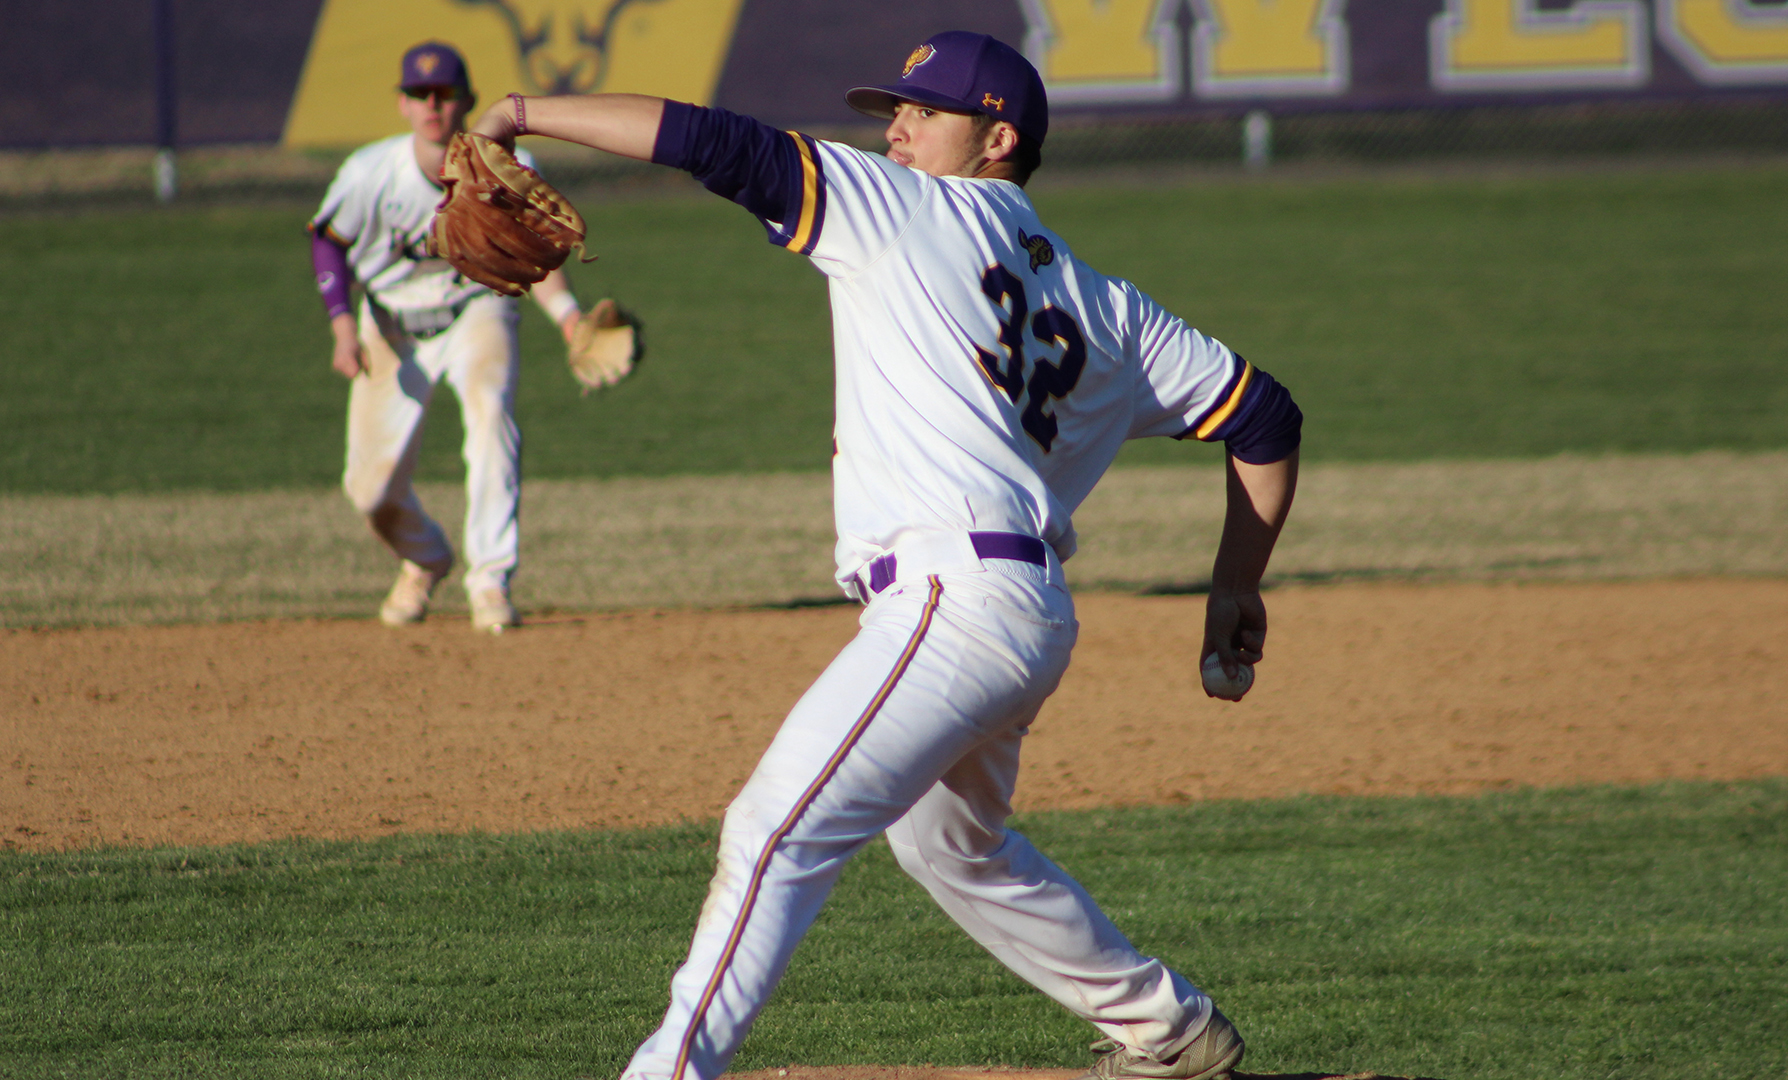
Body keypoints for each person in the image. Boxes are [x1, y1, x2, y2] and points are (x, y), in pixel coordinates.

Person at [470, 30, 1302, 1080]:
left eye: (926, 111)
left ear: (999, 137)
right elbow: (1266, 418)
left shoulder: (903, 208)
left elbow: (718, 144)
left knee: (773, 829)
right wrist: (1235, 585)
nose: (896, 127)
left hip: (953, 602)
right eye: (892, 110)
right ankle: (1166, 1029)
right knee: (952, 845)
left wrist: (523, 112)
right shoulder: (1110, 309)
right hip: (1027, 610)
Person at [310, 41, 594, 632]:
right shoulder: (370, 173)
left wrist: (569, 319)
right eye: (420, 95)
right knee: (368, 490)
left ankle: (490, 581)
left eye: (443, 94)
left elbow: (534, 256)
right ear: (402, 105)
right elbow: (327, 239)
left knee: (492, 420)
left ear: (467, 99)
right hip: (390, 325)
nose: (433, 105)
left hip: (475, 312)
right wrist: (342, 325)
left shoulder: (503, 166)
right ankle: (425, 559)